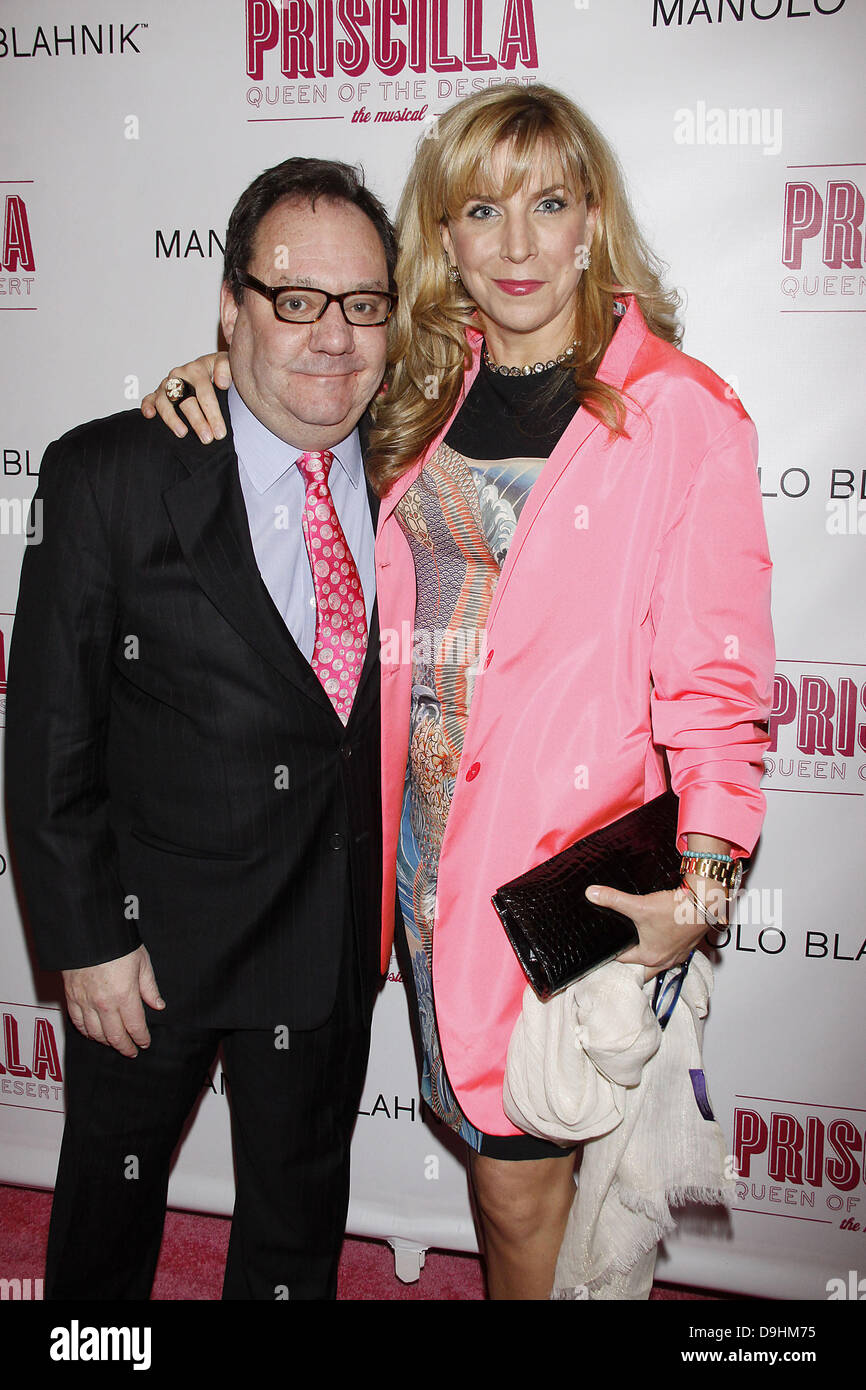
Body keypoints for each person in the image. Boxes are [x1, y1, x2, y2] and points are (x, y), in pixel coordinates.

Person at [142, 84, 774, 1301]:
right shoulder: (415, 400)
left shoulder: (681, 415)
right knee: (500, 1178)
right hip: (414, 881)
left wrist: (702, 892)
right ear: (445, 233)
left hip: (562, 888)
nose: (519, 245)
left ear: (592, 216)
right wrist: (210, 376)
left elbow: (718, 687)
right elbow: (290, 403)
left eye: (548, 203)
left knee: (521, 1192)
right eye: (483, 210)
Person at [5, 157, 398, 1300]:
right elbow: (50, 735)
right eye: (294, 299)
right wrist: (83, 940)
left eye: (362, 304)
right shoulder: (111, 475)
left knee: (295, 1228)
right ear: (230, 306)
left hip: (326, 936)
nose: (332, 334)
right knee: (104, 1228)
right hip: (150, 946)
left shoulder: (419, 466)